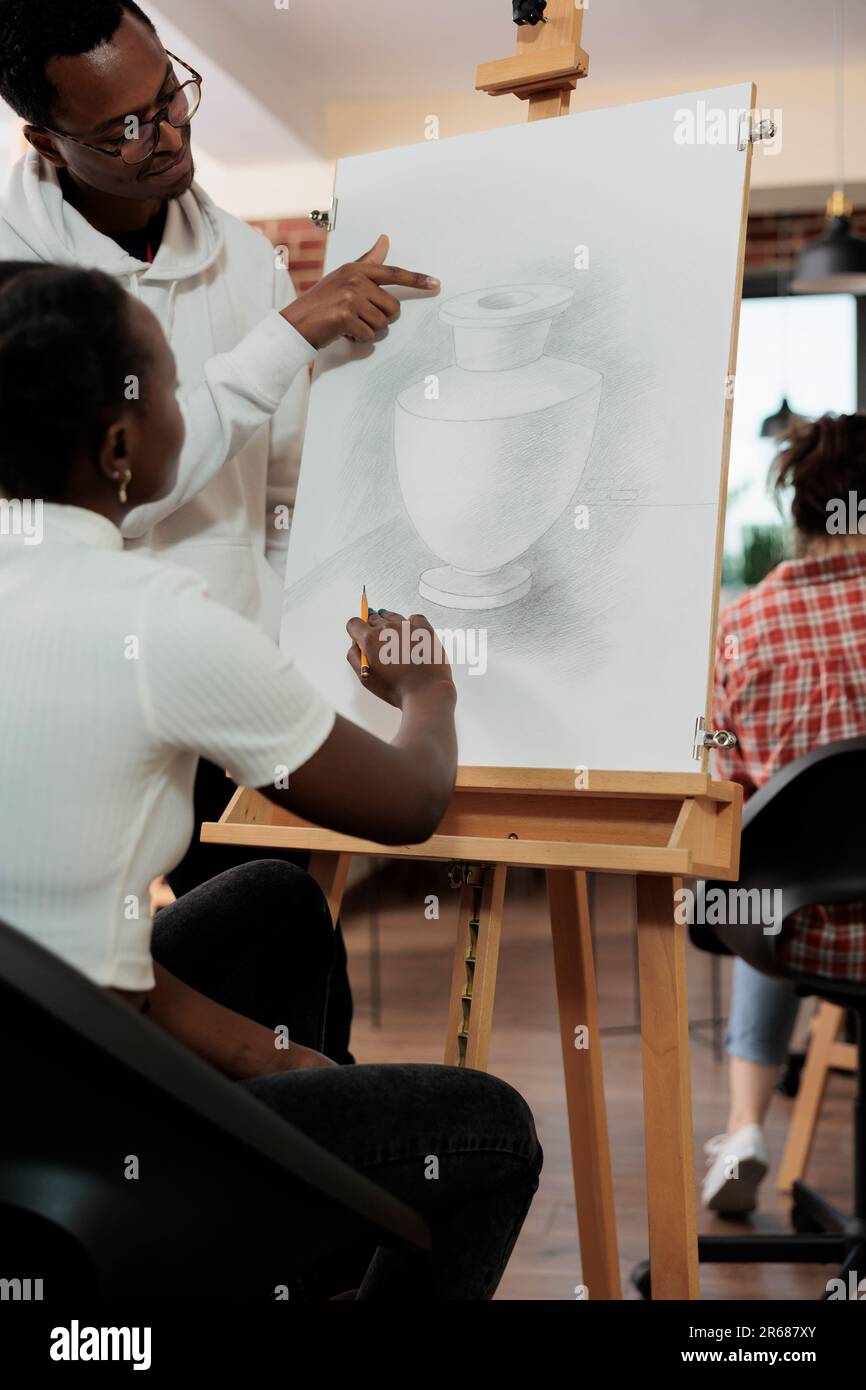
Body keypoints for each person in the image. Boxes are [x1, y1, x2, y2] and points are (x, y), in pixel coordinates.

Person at [0, 260, 541, 1299]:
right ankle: (243, 1222)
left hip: (23, 1063)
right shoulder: (156, 620)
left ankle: (292, 1257)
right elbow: (408, 803)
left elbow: (59, 948)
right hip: (84, 1122)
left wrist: (265, 1056)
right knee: (489, 1136)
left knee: (274, 904)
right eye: (166, 383)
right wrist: (426, 690)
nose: (185, 403)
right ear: (119, 446)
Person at [0, 0, 441, 1057]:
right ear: (43, 142)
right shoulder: (16, 280)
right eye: (123, 129)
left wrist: (303, 642)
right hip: (90, 680)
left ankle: (299, 1157)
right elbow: (108, 495)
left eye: (170, 99)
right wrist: (286, 337)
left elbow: (278, 485)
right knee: (97, 968)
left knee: (284, 951)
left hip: (234, 675)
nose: (169, 137)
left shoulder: (242, 257)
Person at [702, 412, 866, 1215]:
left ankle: (743, 1128)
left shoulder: (743, 627)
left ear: (802, 514)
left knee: (774, 870)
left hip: (792, 933)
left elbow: (723, 797)